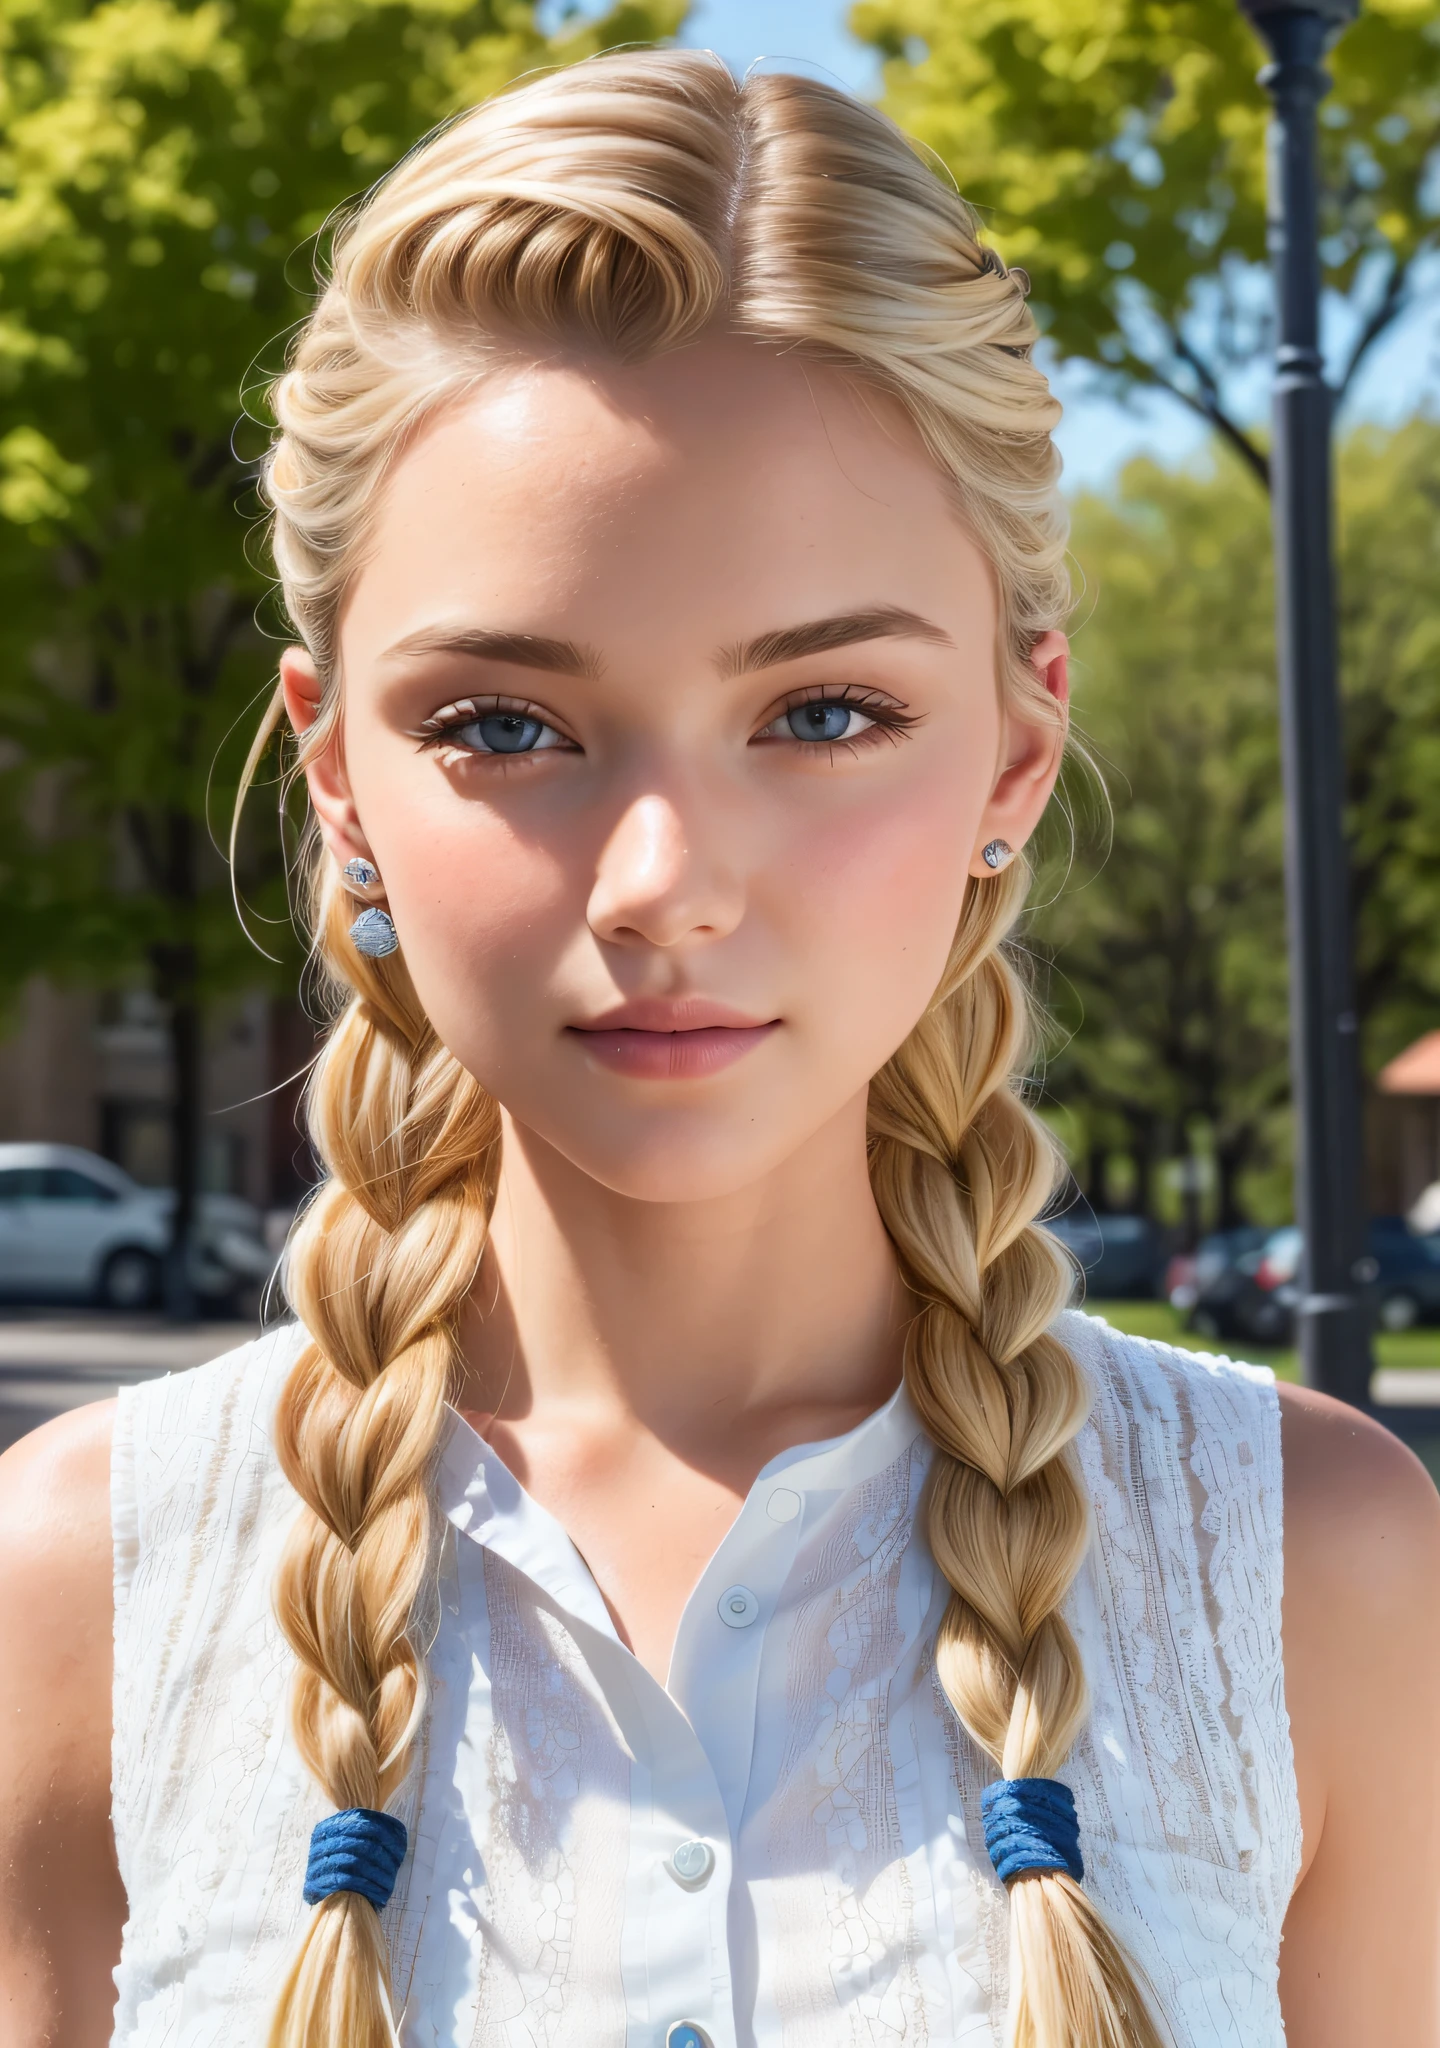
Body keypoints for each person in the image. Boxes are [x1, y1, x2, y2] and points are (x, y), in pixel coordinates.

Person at [1, 50, 1437, 2048]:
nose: (664, 881)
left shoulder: (1314, 1569)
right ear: (336, 775)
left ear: (1016, 750)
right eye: (506, 722)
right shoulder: (77, 1592)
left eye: (826, 710)